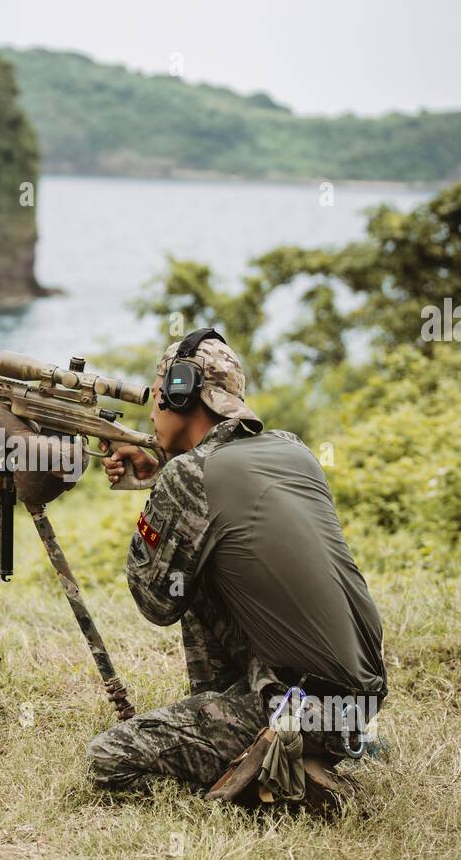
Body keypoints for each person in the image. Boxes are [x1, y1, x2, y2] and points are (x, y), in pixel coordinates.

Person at [89, 328, 387, 801]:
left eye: (159, 394)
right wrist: (166, 477)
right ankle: (319, 739)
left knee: (109, 758)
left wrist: (161, 503)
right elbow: (226, 506)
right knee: (202, 567)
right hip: (359, 698)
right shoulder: (294, 450)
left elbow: (154, 602)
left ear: (181, 394)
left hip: (302, 704)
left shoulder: (191, 474)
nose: (151, 410)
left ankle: (278, 768)